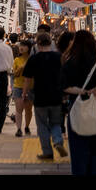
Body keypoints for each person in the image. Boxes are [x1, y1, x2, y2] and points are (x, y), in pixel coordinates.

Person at [61, 30, 96, 175]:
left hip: (76, 106)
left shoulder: (69, 63)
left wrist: (81, 92)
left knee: (78, 148)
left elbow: (64, 87)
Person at [23, 31, 66, 160]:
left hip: (40, 96)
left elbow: (27, 79)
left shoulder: (34, 59)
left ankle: (47, 152)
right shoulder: (59, 57)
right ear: (51, 42)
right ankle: (58, 141)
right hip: (56, 96)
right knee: (56, 123)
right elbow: (64, 76)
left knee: (42, 124)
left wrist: (25, 93)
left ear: (38, 44)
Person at [11, 41, 32, 137]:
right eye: (21, 46)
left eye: (24, 46)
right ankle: (18, 129)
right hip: (18, 86)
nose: (21, 47)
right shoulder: (16, 60)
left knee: (28, 109)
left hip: (30, 87)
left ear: (29, 48)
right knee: (19, 109)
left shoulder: (32, 60)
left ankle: (27, 126)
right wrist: (21, 68)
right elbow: (15, 74)